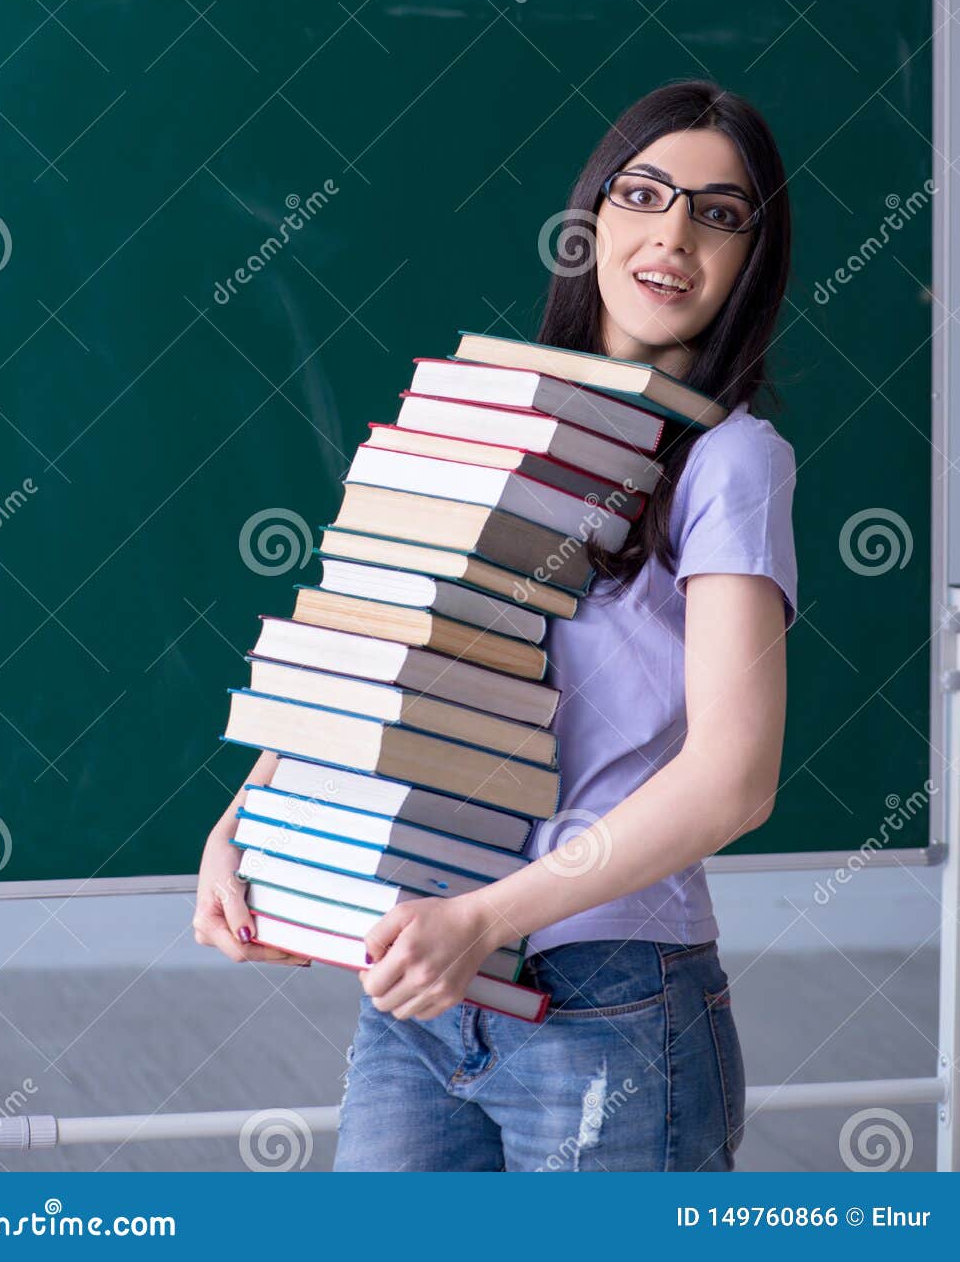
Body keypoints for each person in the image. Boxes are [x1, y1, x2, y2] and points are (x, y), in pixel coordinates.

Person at [197, 78, 798, 1172]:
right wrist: (251, 818)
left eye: (719, 212)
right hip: (428, 984)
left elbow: (734, 780)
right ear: (595, 214)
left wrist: (484, 917)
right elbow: (397, 639)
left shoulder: (732, 462)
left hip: (610, 997)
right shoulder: (506, 409)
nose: (673, 234)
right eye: (646, 193)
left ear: (751, 255)